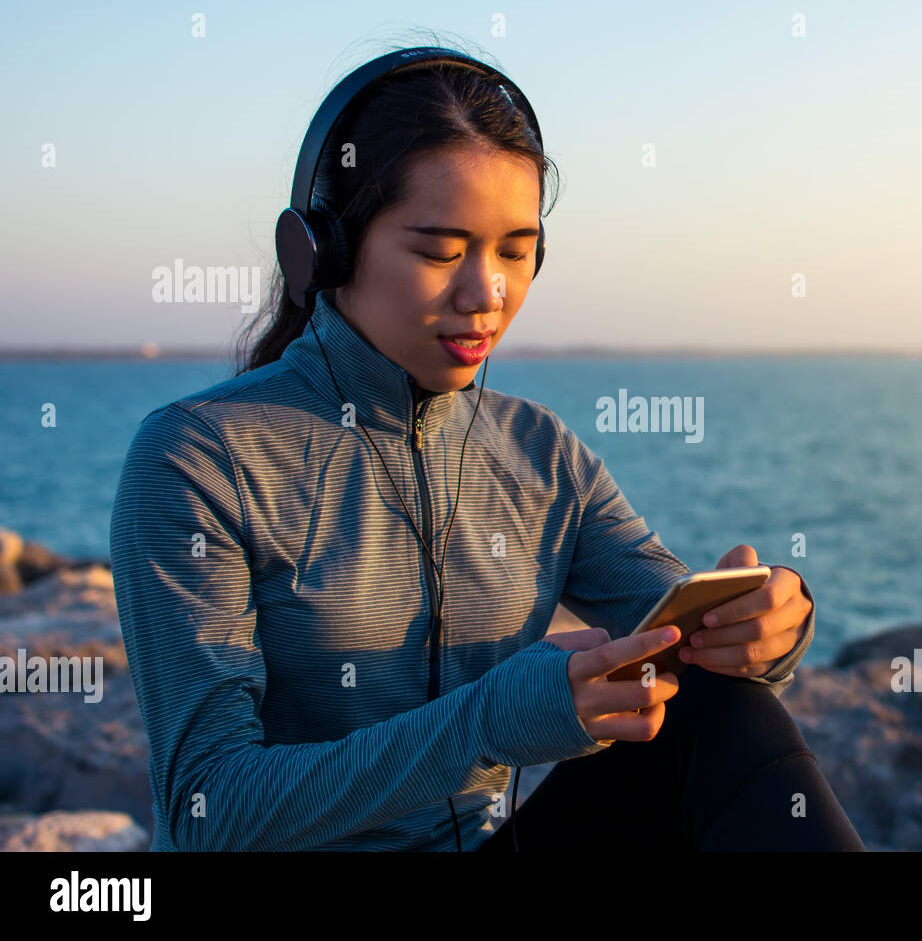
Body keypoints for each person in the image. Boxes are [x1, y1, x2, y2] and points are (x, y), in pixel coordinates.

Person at [109, 43, 865, 852]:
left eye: (515, 250)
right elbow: (206, 812)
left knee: (721, 706)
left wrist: (771, 625)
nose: (487, 295)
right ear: (323, 249)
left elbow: (676, 623)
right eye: (441, 251)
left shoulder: (539, 452)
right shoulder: (199, 458)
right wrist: (490, 722)